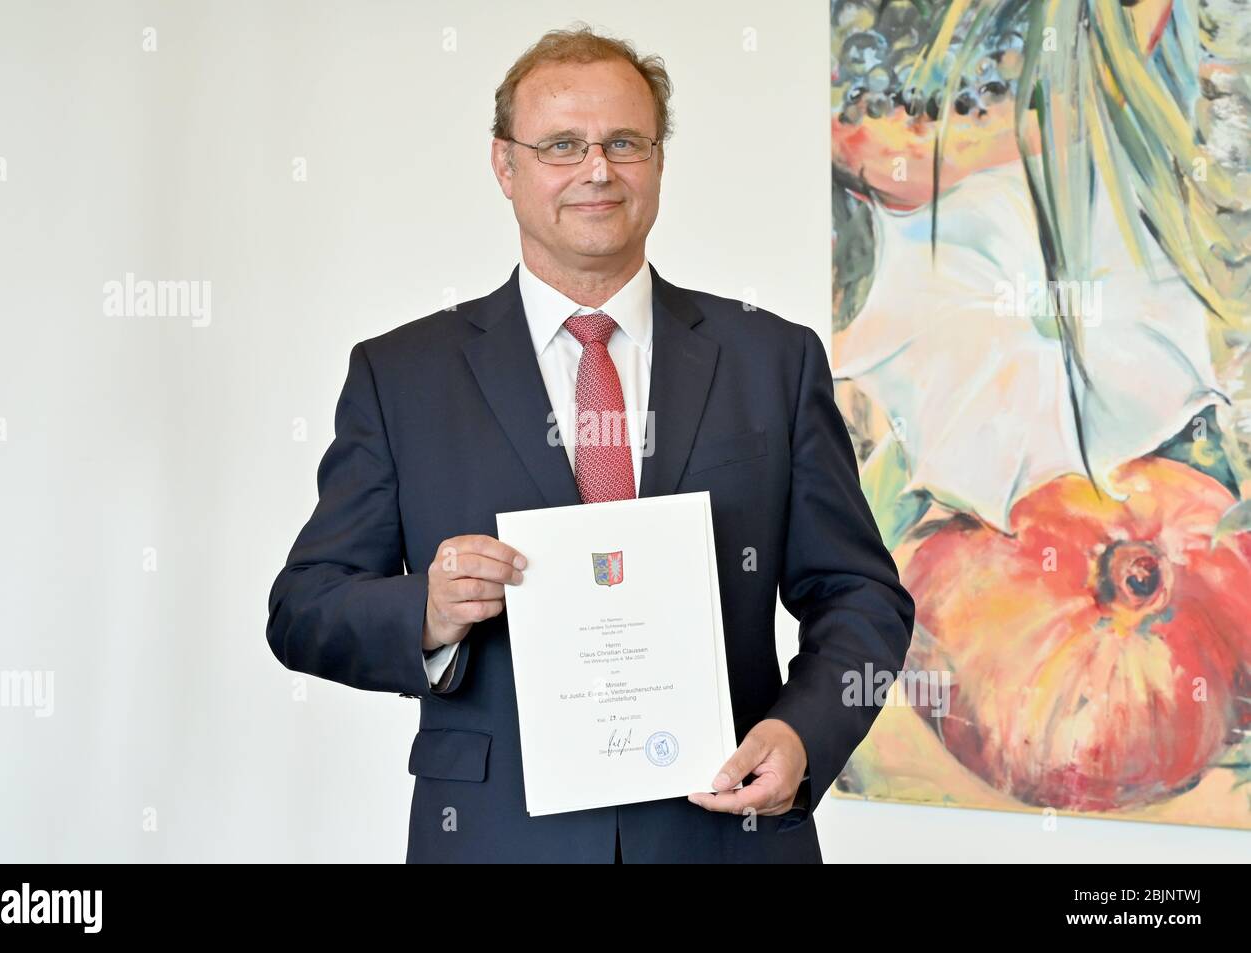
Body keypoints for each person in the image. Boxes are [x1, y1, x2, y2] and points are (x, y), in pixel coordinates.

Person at [266, 23, 914, 863]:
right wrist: (422, 611)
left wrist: (802, 734)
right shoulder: (402, 375)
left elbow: (861, 594)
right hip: (497, 838)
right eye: (562, 145)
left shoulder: (772, 360)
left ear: (658, 161)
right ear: (506, 166)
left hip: (723, 835)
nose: (597, 170)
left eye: (624, 142)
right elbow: (301, 609)